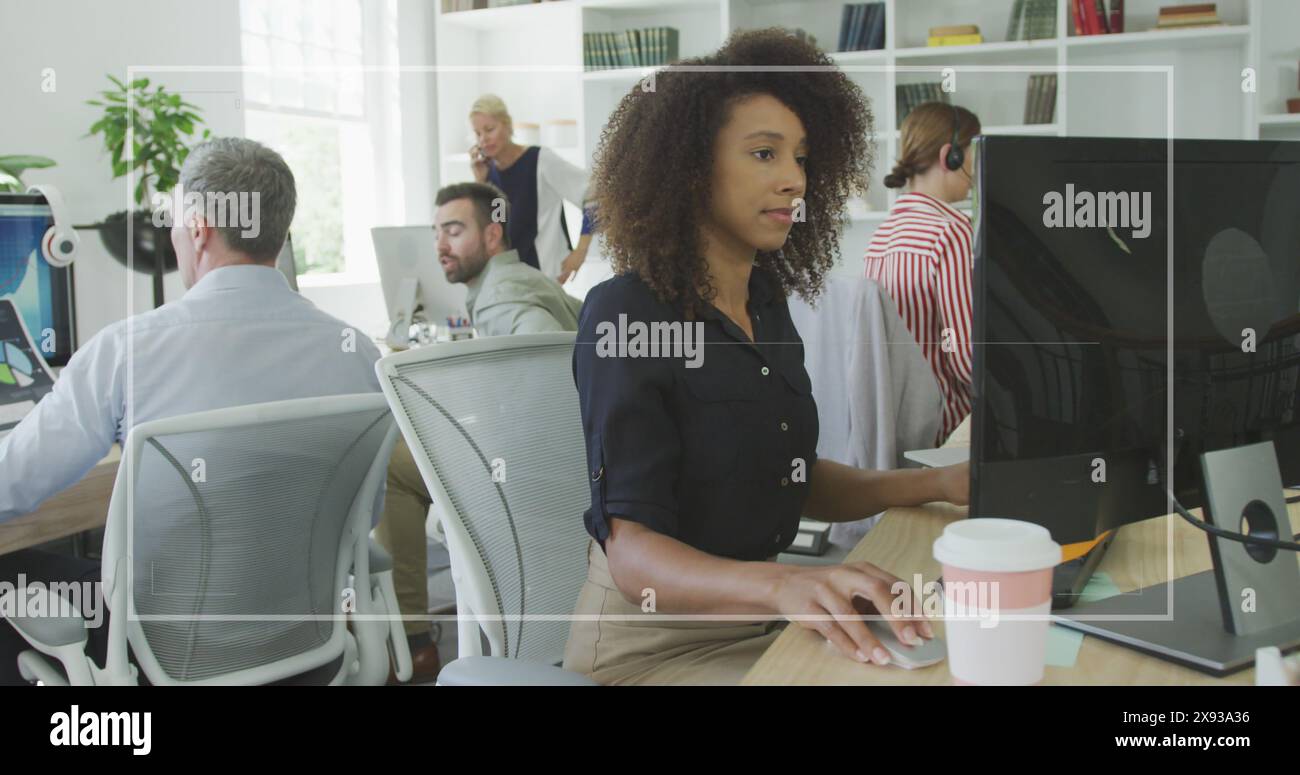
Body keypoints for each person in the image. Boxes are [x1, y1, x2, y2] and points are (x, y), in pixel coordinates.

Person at [563, 29, 969, 686]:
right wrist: (786, 585)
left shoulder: (767, 302)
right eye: (763, 153)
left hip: (756, 623)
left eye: (801, 158)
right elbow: (633, 554)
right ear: (689, 168)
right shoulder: (626, 313)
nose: (793, 179)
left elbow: (790, 478)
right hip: (650, 651)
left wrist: (941, 484)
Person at [0, 137, 383, 685]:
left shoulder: (125, 352)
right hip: (308, 653)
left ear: (199, 229)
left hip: (161, 659)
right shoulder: (357, 352)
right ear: (280, 232)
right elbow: (363, 515)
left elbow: (10, 484)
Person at [373, 181, 582, 682]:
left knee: (393, 465)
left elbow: (549, 375)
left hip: (533, 473)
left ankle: (414, 642)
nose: (440, 246)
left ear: (492, 236)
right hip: (571, 465)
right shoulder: (520, 280)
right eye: (436, 233)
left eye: (453, 231)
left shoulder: (499, 298)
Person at [865, 101, 981, 444]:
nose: (976, 171)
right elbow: (966, 359)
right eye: (973, 156)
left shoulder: (880, 235)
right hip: (945, 425)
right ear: (951, 157)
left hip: (896, 425)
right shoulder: (951, 231)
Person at [468, 94, 596, 283]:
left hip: (543, 278)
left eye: (490, 129)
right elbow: (495, 229)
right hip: (508, 279)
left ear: (507, 125)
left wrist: (581, 251)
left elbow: (594, 195)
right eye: (478, 134)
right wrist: (480, 182)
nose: (483, 139)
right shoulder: (489, 173)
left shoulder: (540, 159)